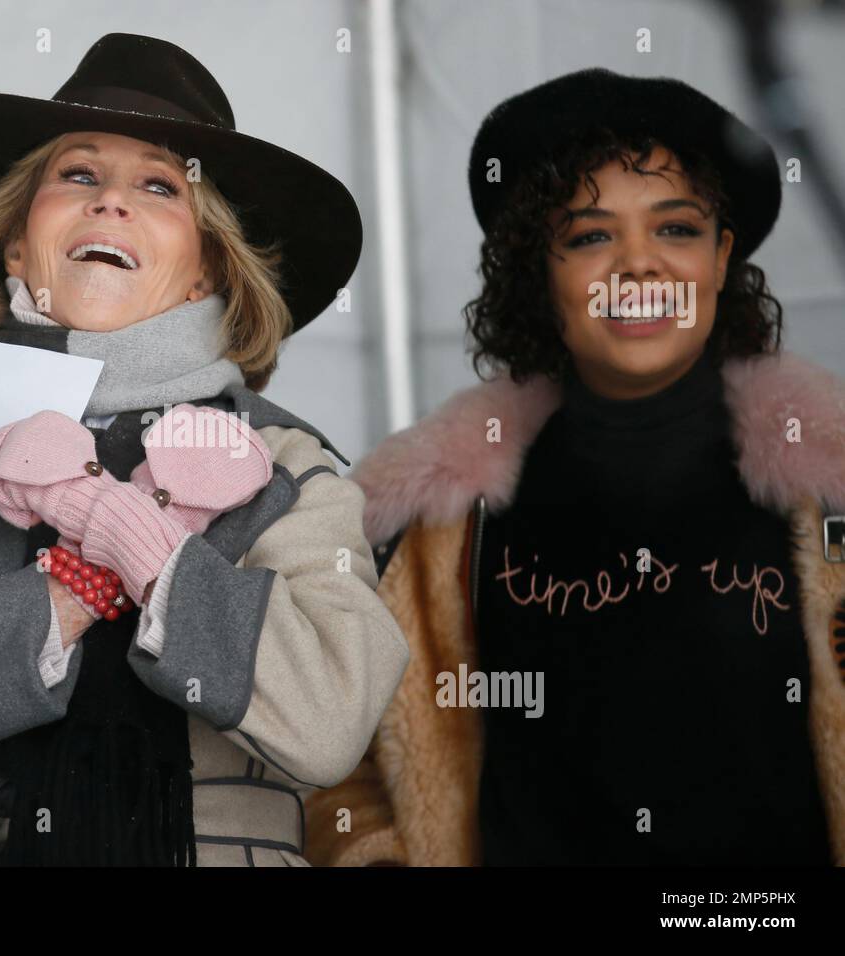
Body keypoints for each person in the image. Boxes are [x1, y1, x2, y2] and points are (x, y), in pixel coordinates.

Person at [0, 32, 409, 866]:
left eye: (160, 185)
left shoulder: (283, 462)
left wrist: (148, 548)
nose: (109, 201)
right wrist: (77, 586)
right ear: (17, 241)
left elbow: (330, 715)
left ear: (205, 272)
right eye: (77, 174)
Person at [305, 68, 845, 866]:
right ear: (541, 273)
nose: (639, 266)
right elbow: (338, 776)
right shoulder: (436, 525)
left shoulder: (826, 491)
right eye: (591, 236)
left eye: (677, 229)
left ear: (723, 257)